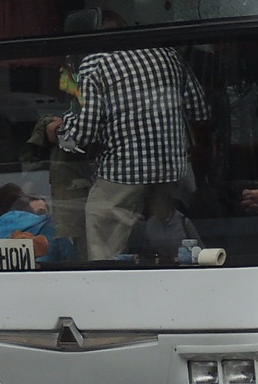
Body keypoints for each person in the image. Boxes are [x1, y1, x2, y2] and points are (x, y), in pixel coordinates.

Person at [49, 14, 210, 261]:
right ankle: (186, 263)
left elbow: (83, 133)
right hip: (175, 169)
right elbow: (200, 111)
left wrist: (59, 131)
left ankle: (107, 282)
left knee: (102, 219)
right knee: (168, 221)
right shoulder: (167, 54)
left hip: (126, 171)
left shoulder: (95, 64)